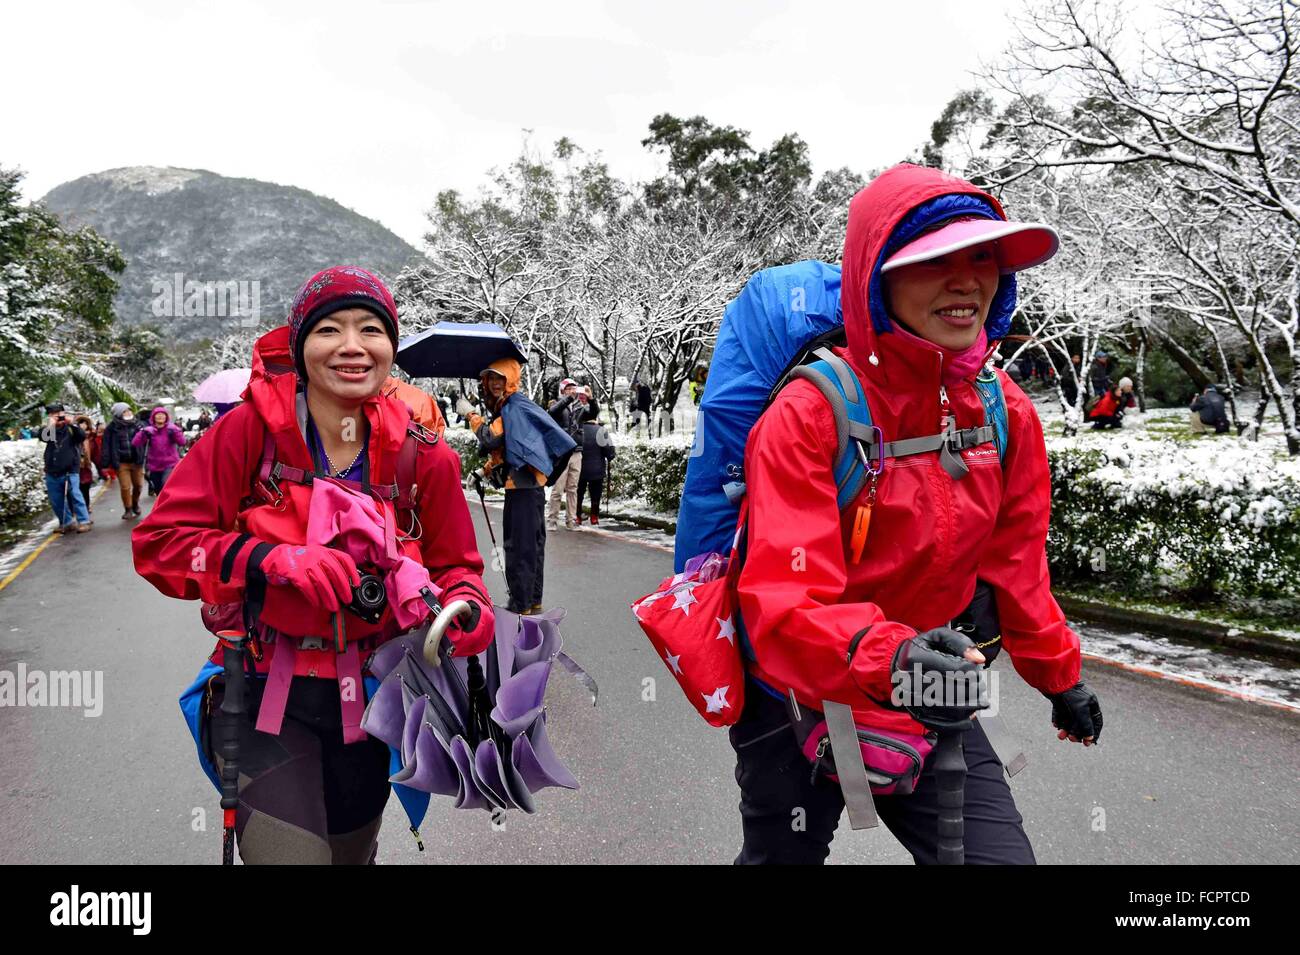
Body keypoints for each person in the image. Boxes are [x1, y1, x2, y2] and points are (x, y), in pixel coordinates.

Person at [730, 163, 1100, 865]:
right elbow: (785, 598)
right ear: (878, 279)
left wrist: (1060, 674)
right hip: (797, 697)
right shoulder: (810, 414)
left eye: (982, 256)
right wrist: (892, 656)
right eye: (936, 260)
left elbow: (1016, 563)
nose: (967, 281)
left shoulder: (1003, 411)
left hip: (928, 686)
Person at [132, 265, 495, 865]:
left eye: (371, 329)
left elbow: (459, 568)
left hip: (377, 701)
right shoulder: (246, 434)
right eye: (329, 329)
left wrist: (467, 611)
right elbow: (161, 543)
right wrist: (268, 559)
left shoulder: (424, 457)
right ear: (301, 348)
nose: (352, 346)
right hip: (263, 696)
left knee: (351, 859)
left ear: (390, 347)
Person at [465, 360, 574, 615]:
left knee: (518, 547)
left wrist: (470, 415)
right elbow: (512, 448)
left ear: (511, 379)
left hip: (523, 489)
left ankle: (520, 603)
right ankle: (532, 600)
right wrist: (486, 470)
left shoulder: (513, 406)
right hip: (529, 487)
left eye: (499, 378)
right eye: (490, 378)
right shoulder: (514, 406)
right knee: (532, 546)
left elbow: (491, 437)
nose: (493, 383)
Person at [547, 379, 597, 530]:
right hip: (562, 453)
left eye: (574, 388)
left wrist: (591, 398)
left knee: (572, 488)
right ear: (563, 390)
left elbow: (593, 414)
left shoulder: (579, 408)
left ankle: (571, 520)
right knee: (557, 489)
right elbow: (552, 412)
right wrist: (569, 398)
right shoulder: (558, 405)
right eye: (568, 389)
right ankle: (552, 520)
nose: (572, 391)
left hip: (576, 452)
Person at [36, 404, 92, 533]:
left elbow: (81, 436)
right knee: (56, 499)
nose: (57, 416)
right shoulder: (48, 430)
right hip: (52, 470)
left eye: (59, 413)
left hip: (70, 469)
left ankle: (84, 521)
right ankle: (66, 522)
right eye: (53, 414)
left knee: (75, 495)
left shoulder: (71, 429)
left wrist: (72, 423)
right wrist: (51, 425)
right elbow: (44, 437)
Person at [101, 403, 144, 518]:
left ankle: (135, 503)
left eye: (129, 410)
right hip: (121, 462)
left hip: (136, 461)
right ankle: (128, 509)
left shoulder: (138, 425)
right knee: (125, 486)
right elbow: (106, 446)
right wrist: (105, 463)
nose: (128, 413)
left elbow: (146, 442)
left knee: (138, 485)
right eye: (125, 411)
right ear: (119, 414)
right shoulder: (111, 428)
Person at [132, 406, 186, 495]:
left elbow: (182, 442)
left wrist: (176, 431)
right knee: (158, 490)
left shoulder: (171, 429)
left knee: (166, 484)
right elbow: (135, 443)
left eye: (163, 414)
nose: (160, 416)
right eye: (158, 415)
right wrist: (142, 432)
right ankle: (162, 506)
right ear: (153, 417)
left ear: (166, 417)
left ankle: (170, 506)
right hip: (154, 465)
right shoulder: (149, 431)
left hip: (170, 464)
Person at [577, 415, 617, 525]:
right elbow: (609, 451)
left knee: (579, 492)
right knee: (595, 493)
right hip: (597, 469)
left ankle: (577, 515)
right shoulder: (601, 430)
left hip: (579, 468)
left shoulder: (578, 429)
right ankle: (594, 516)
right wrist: (611, 455)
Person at [74, 414, 98, 515]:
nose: (83, 425)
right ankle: (78, 510)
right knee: (76, 489)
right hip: (75, 466)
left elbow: (96, 453)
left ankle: (86, 507)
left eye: (85, 423)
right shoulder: (73, 437)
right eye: (80, 423)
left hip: (86, 466)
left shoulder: (91, 437)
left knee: (85, 488)